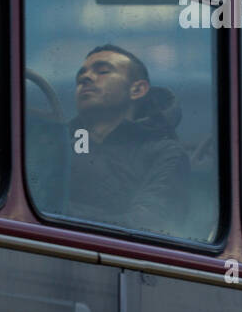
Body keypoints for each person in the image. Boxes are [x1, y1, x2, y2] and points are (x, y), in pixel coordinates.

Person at [65, 44, 189, 234]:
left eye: (103, 71)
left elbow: (149, 226)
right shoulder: (60, 142)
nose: (85, 77)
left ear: (137, 90)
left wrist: (61, 214)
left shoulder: (165, 152)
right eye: (80, 75)